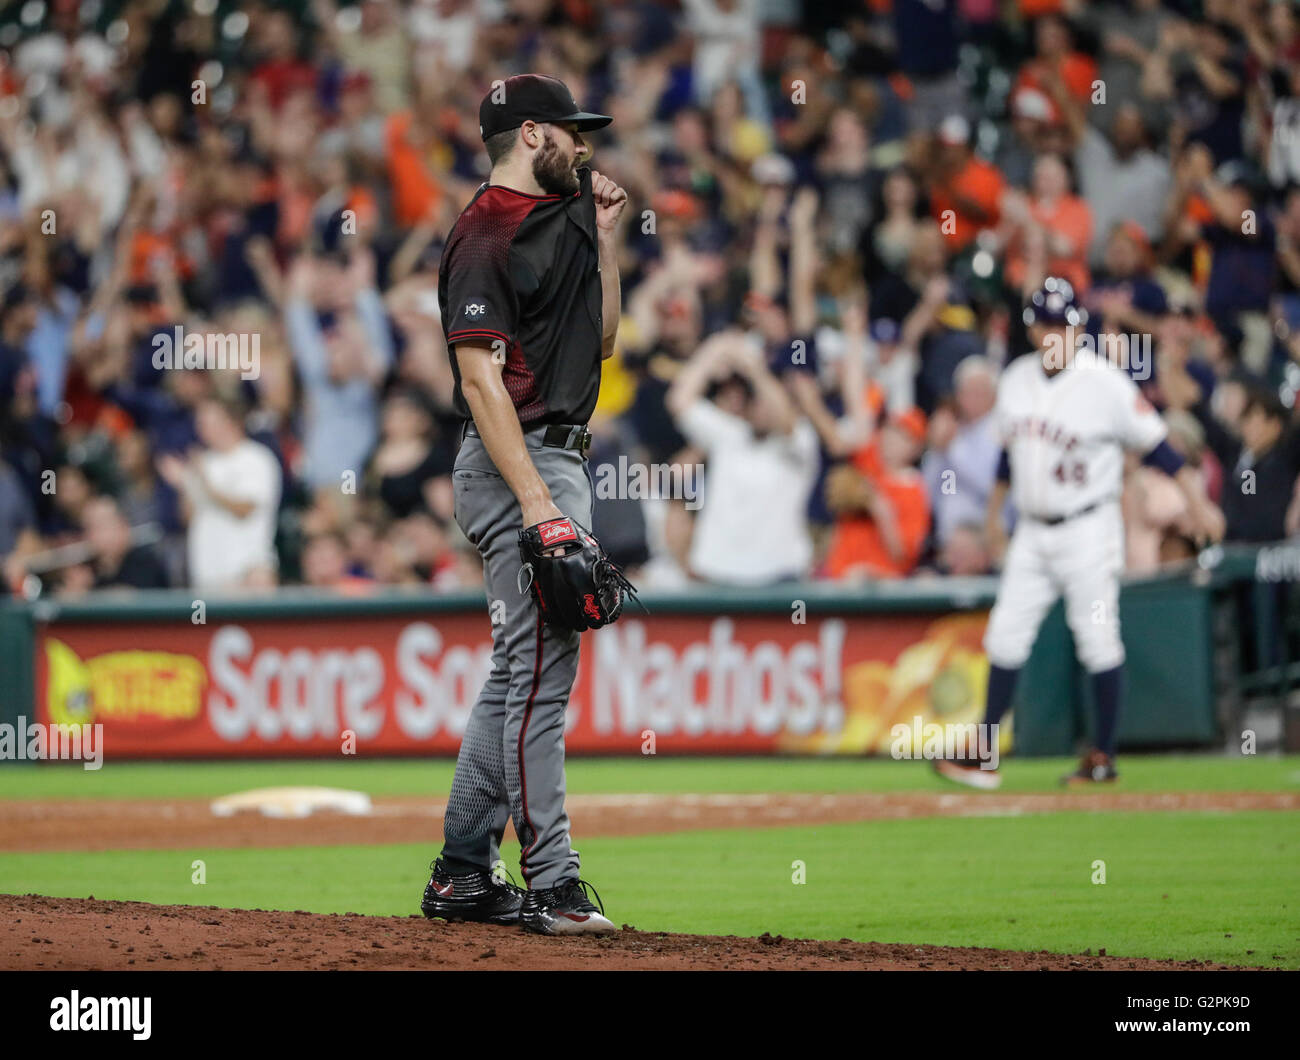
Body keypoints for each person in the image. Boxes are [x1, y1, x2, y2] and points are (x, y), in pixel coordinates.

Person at [420, 75, 626, 936]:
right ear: (533, 134)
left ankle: (464, 875)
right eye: (573, 133)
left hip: (556, 451)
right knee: (543, 676)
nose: (586, 147)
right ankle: (554, 881)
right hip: (519, 459)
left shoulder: (570, 216)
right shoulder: (484, 233)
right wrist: (539, 504)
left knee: (517, 672)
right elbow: (478, 379)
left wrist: (607, 241)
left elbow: (605, 339)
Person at [935, 279, 1224, 791]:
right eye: (1042, 324)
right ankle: (983, 754)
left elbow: (1159, 447)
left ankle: (1103, 757)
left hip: (1088, 527)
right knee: (1005, 633)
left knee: (1097, 638)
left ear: (1076, 328)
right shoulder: (1017, 379)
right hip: (1032, 529)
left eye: (1060, 324)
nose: (1051, 334)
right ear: (1031, 329)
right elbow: (1008, 456)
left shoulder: (1105, 383)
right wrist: (993, 520)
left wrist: (1198, 504)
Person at [666, 329, 820, 585]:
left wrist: (756, 370)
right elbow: (679, 400)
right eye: (754, 397)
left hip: (780, 578)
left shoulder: (800, 440)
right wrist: (716, 347)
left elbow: (785, 421)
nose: (760, 404)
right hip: (717, 575)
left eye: (765, 395)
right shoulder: (730, 434)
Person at [156, 392, 282, 591]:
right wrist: (184, 485)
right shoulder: (204, 461)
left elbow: (245, 509)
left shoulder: (257, 458)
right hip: (206, 576)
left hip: (247, 574)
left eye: (207, 421)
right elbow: (187, 518)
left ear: (230, 421)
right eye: (199, 422)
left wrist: (204, 483)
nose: (201, 428)